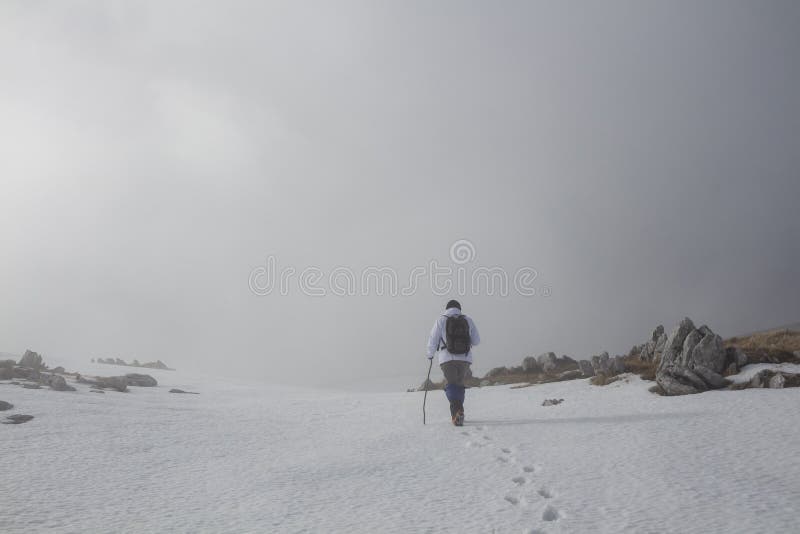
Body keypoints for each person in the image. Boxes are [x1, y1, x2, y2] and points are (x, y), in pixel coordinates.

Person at [426, 299, 480, 426]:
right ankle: (458, 413)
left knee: (451, 385)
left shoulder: (441, 320)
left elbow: (432, 339)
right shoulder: (467, 320)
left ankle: (457, 413)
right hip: (465, 359)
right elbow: (476, 341)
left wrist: (430, 354)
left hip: (447, 358)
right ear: (459, 309)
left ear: (447, 308)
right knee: (459, 385)